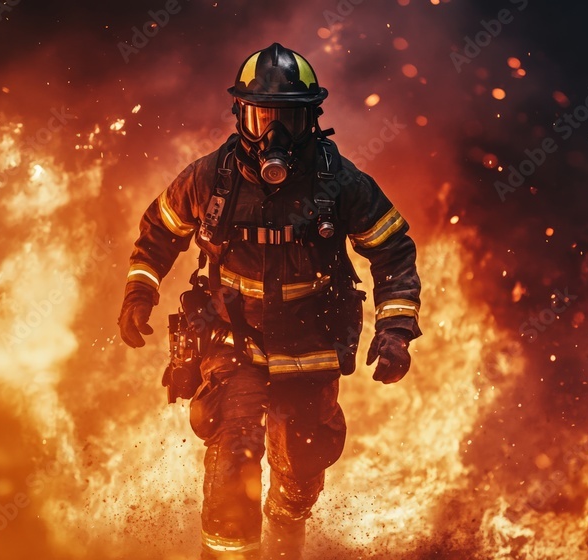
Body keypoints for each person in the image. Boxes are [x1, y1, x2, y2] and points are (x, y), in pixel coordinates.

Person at [118, 43, 421, 560]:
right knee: (233, 454)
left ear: (312, 119)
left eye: (289, 118)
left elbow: (392, 250)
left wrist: (395, 331)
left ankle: (286, 541)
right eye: (262, 117)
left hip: (311, 337)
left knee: (300, 467)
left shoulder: (340, 182)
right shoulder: (212, 178)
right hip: (231, 334)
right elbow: (160, 231)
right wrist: (140, 289)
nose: (273, 134)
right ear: (241, 114)